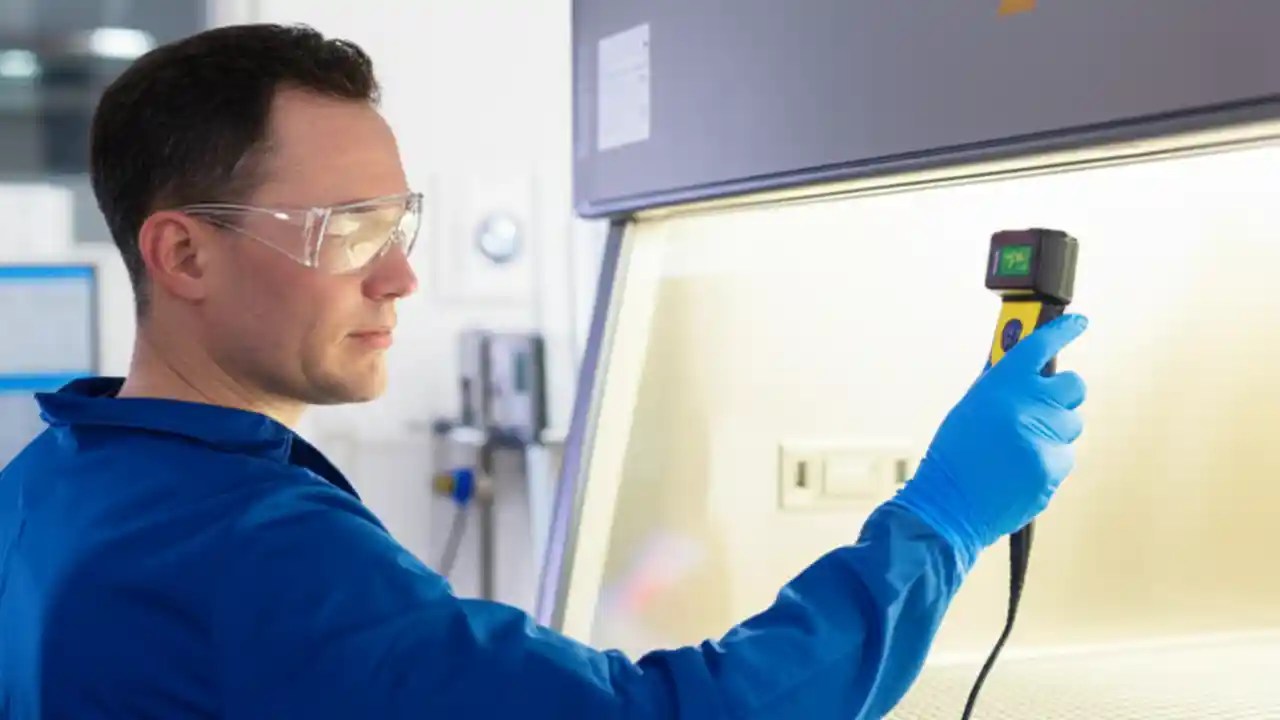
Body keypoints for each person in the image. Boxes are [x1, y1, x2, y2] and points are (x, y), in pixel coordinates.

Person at [0, 23, 1089, 720]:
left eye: (398, 223)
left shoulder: (54, 480)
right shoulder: (253, 551)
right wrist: (938, 523)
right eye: (346, 231)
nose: (402, 278)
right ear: (181, 253)